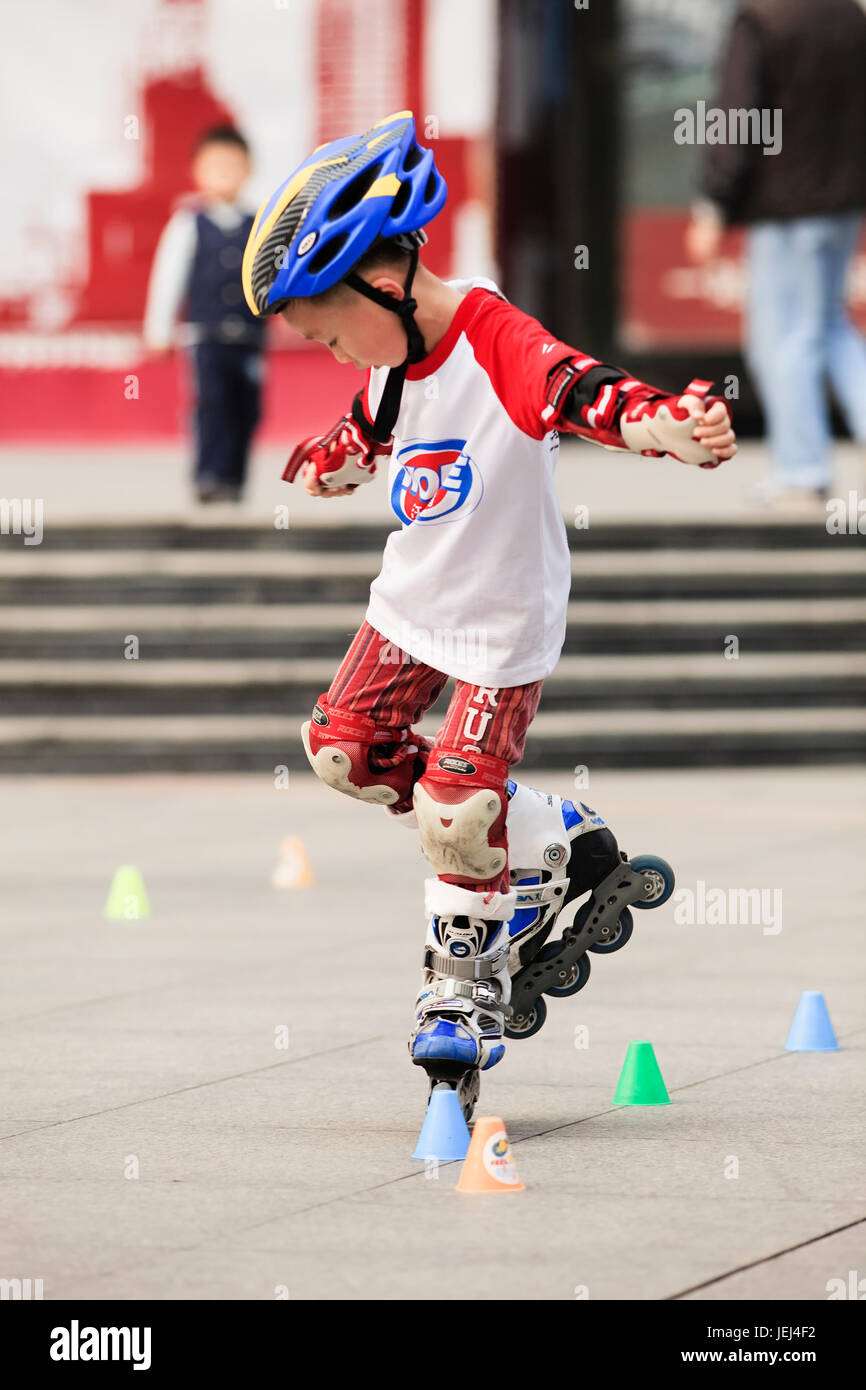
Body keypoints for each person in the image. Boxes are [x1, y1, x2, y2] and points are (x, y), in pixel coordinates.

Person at [242, 111, 736, 1112]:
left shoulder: (492, 335)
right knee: (340, 749)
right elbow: (375, 417)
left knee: (456, 808)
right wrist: (338, 454)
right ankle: (553, 835)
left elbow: (585, 393)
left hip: (500, 620)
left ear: (384, 281)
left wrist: (666, 427)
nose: (332, 350)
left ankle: (460, 986)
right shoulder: (389, 359)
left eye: (328, 328)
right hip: (411, 602)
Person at [685, 0, 866, 506]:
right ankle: (804, 466)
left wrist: (715, 202)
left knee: (783, 339)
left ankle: (802, 471)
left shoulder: (763, 19)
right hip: (844, 203)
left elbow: (735, 114)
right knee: (828, 326)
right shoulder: (851, 16)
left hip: (788, 205)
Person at [144, 125, 266, 503]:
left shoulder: (261, 223)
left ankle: (235, 478)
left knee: (247, 408)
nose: (224, 174)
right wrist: (158, 330)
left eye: (233, 165)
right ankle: (209, 476)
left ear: (248, 169)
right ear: (197, 171)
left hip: (248, 338)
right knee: (211, 404)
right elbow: (168, 278)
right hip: (205, 337)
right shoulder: (187, 224)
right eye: (215, 166)